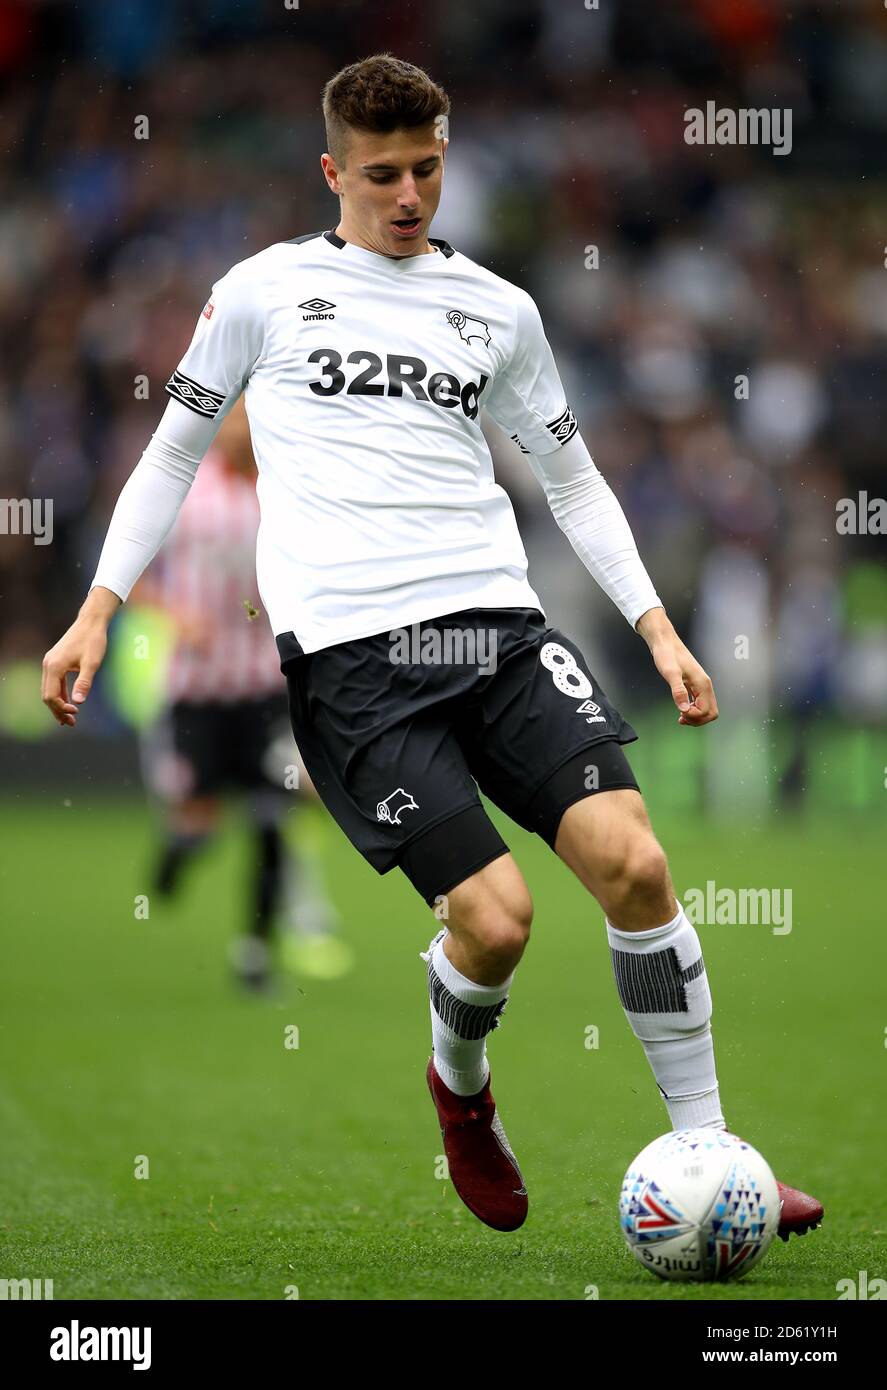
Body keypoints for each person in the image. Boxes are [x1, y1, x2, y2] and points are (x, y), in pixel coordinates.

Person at [42, 54, 821, 1239]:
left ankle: (708, 1146)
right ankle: (459, 1090)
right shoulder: (262, 289)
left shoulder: (500, 310)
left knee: (637, 866)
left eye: (425, 169)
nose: (408, 196)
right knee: (497, 919)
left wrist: (655, 627)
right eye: (381, 175)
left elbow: (570, 475)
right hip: (355, 663)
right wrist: (99, 606)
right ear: (331, 172)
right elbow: (172, 452)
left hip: (498, 629)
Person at [130, 397, 348, 989]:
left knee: (271, 816)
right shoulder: (185, 492)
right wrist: (178, 614)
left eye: (254, 421)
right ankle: (176, 854)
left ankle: (255, 953)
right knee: (200, 820)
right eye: (235, 420)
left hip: (264, 690)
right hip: (198, 690)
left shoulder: (288, 491)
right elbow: (135, 575)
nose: (243, 432)